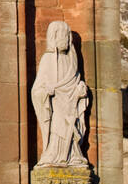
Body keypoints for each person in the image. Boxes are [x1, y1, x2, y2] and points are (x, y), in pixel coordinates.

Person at [31, 20, 90, 167]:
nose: (65, 39)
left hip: (71, 104)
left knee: (72, 129)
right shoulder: (48, 60)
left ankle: (73, 155)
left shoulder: (72, 61)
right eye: (61, 36)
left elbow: (75, 80)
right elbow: (37, 89)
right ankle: (54, 155)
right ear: (53, 38)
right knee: (58, 127)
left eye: (66, 36)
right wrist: (46, 91)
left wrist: (80, 88)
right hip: (57, 105)